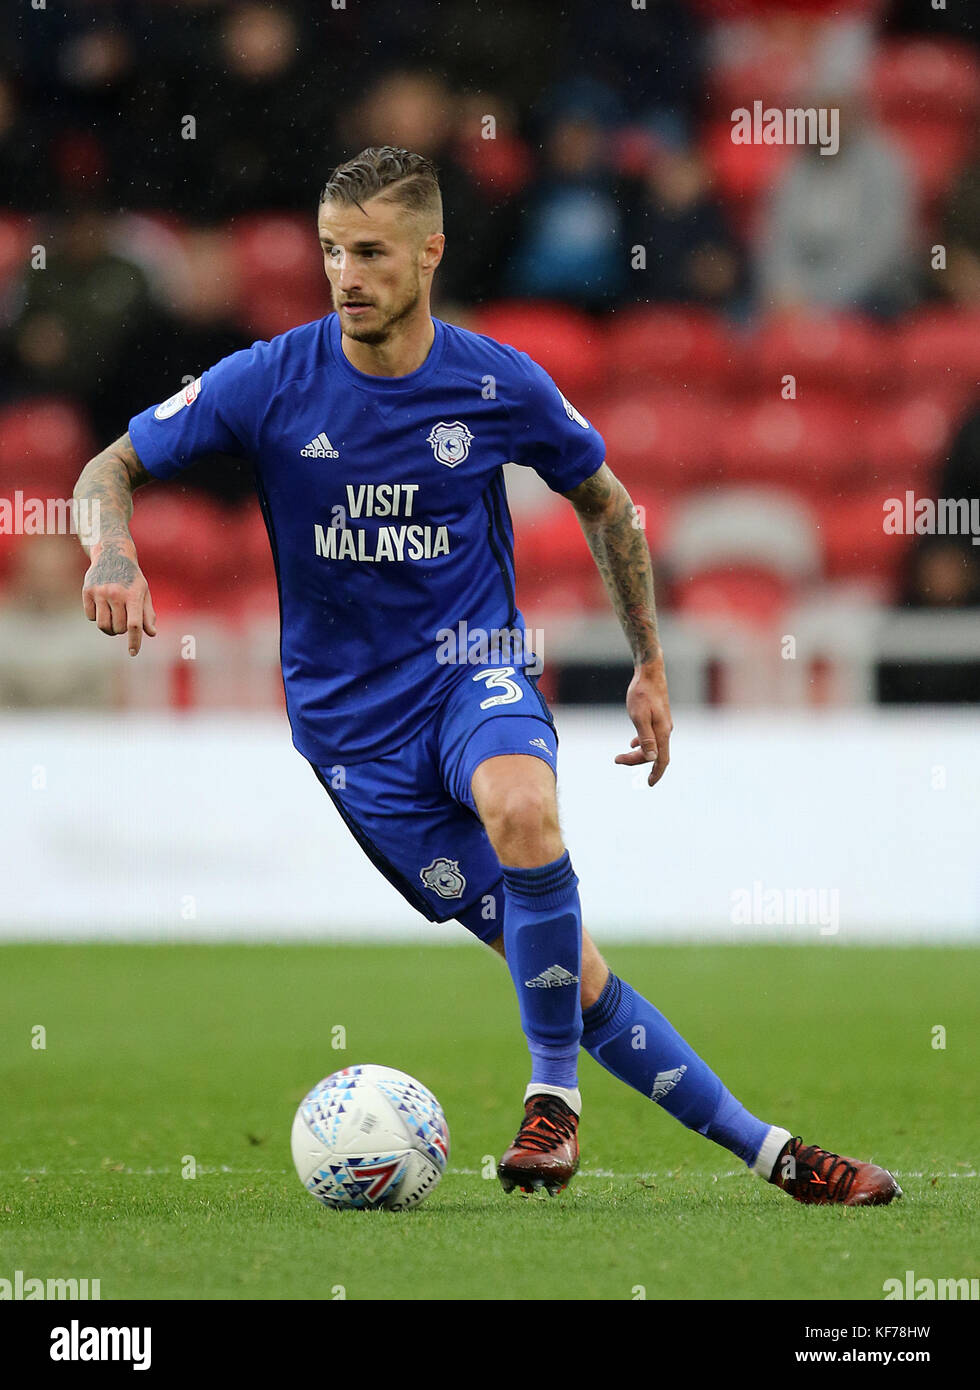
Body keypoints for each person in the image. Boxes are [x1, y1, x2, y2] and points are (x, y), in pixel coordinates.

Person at [72, 146, 899, 1206]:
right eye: (330, 251)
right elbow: (109, 466)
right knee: (573, 975)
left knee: (522, 806)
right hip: (352, 739)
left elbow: (605, 501)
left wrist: (648, 662)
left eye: (369, 251)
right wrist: (111, 549)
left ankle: (549, 1099)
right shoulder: (269, 379)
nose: (345, 274)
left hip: (475, 674)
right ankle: (775, 1154)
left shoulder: (495, 381)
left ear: (430, 252)